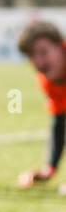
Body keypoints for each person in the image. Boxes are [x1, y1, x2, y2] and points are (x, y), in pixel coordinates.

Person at [15, 21, 66, 195]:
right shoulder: (48, 82)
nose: (39, 61)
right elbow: (59, 123)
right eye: (32, 56)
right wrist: (49, 169)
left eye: (44, 52)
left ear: (61, 45)